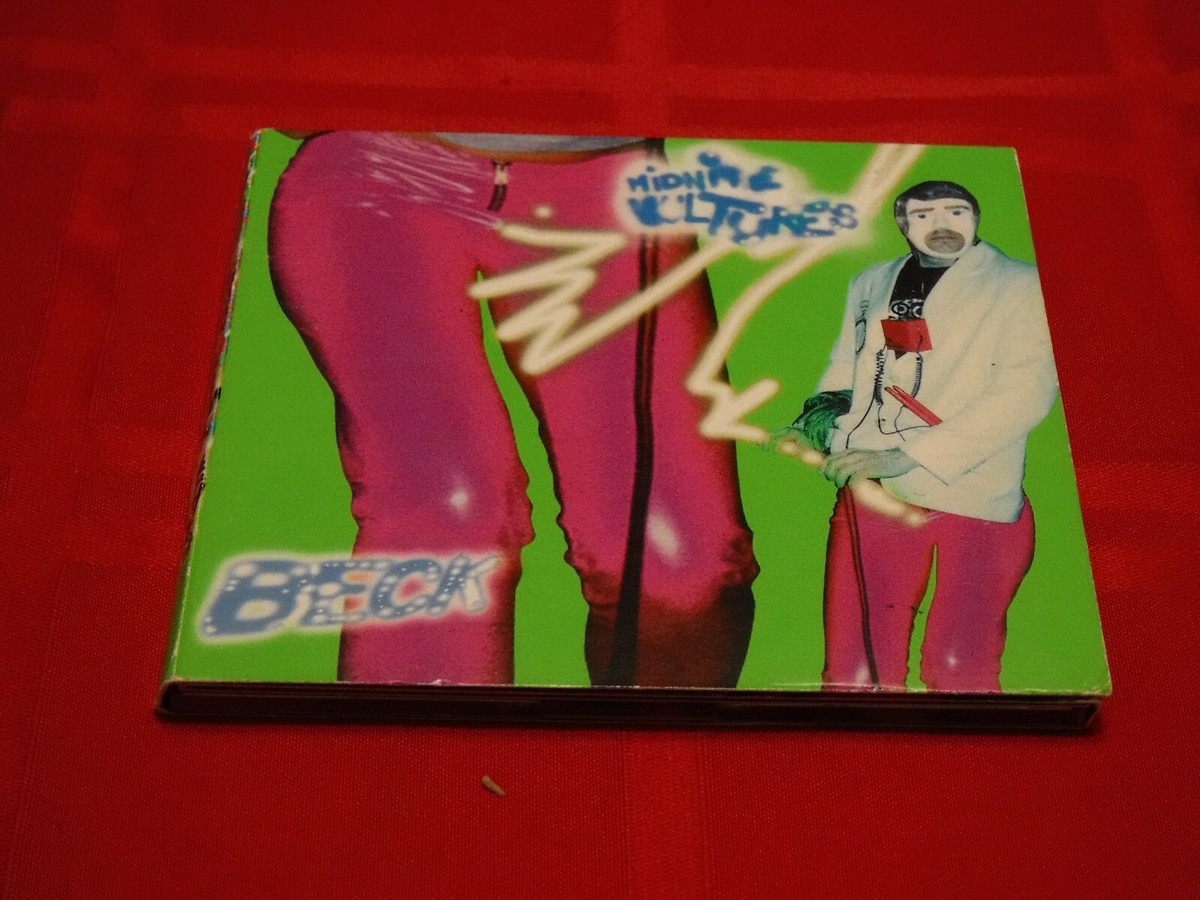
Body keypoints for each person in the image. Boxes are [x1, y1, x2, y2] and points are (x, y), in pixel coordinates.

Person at [268, 131, 758, 688]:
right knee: (446, 515)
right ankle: (417, 749)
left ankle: (639, 748)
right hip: (377, 172)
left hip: (603, 182)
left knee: (681, 569)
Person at [788, 180, 1057, 692]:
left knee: (959, 668)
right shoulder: (871, 280)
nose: (942, 225)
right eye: (924, 215)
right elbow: (849, 364)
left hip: (972, 496)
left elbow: (1026, 392)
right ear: (902, 222)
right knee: (855, 674)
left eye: (956, 212)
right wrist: (816, 420)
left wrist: (910, 455)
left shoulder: (1022, 284)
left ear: (976, 218)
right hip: (873, 493)